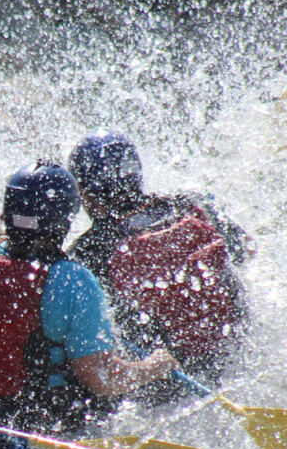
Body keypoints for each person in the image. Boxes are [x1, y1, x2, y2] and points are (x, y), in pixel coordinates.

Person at [0, 162, 174, 431]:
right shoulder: (71, 281)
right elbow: (103, 379)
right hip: (36, 425)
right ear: (66, 218)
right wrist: (156, 365)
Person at [66, 130, 249, 380]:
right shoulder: (192, 205)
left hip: (165, 377)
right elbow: (245, 250)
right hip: (236, 351)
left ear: (85, 194)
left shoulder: (89, 250)